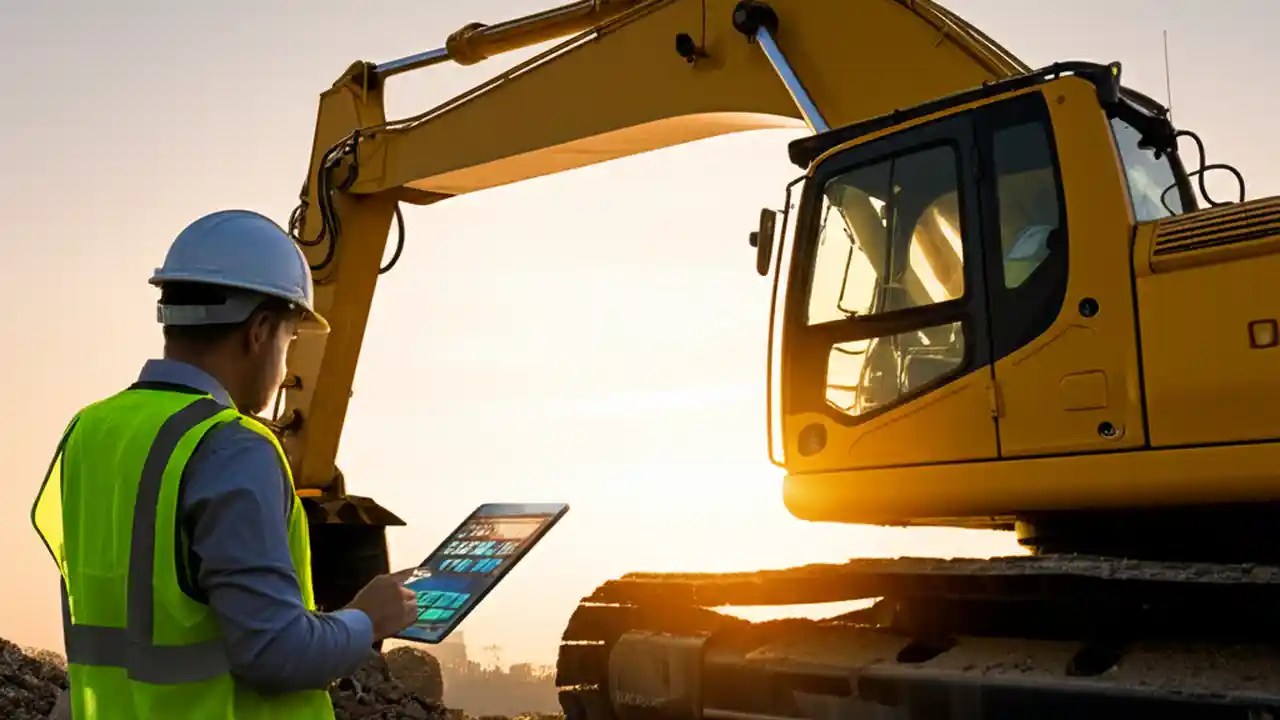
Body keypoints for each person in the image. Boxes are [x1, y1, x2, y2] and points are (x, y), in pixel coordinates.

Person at [32, 209, 420, 719]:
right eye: (290, 341)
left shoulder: (90, 430)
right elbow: (275, 653)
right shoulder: (230, 446)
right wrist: (366, 620)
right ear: (259, 332)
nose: (285, 370)